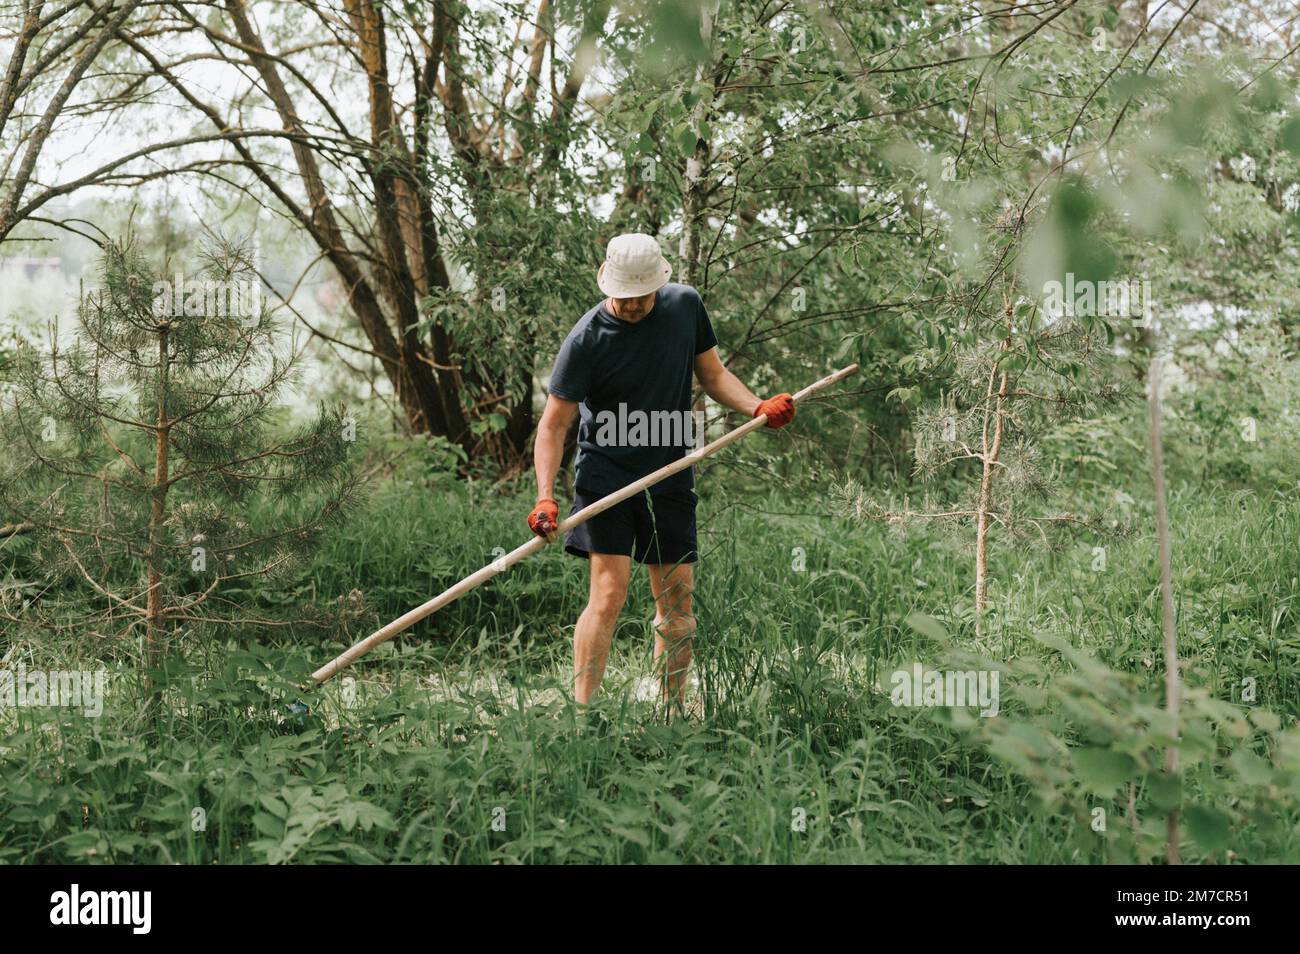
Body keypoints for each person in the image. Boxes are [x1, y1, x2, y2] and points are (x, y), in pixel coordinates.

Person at [528, 232, 794, 709]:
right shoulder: (585, 340)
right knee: (608, 594)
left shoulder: (685, 307)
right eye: (624, 298)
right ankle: (583, 712)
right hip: (606, 474)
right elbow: (553, 426)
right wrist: (545, 495)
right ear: (607, 284)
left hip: (672, 467)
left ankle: (671, 710)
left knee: (677, 602)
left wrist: (757, 407)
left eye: (642, 296)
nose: (633, 306)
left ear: (660, 283)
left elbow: (712, 375)